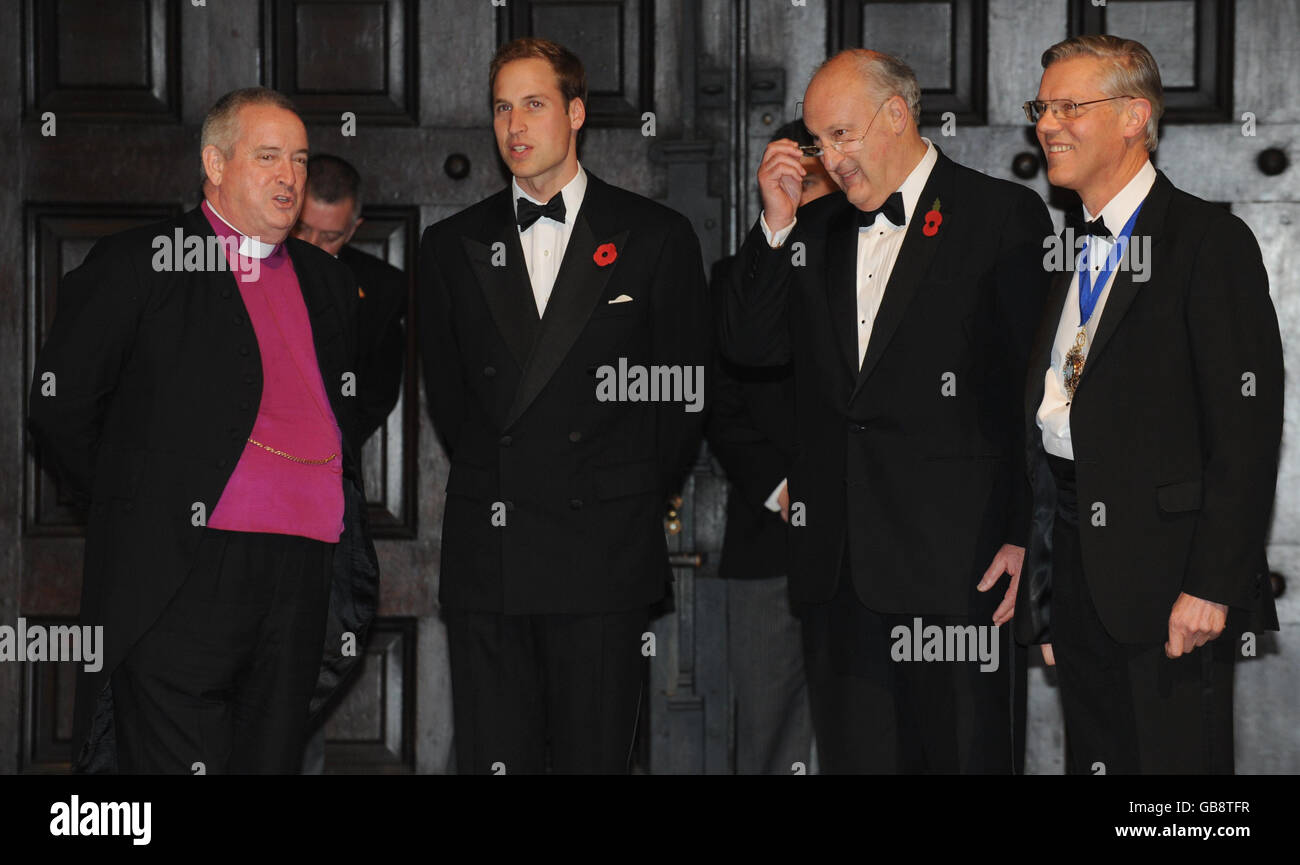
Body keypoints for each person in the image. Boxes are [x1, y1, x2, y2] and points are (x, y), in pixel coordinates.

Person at [28, 87, 378, 773]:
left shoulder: (327, 283)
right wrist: (139, 504)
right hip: (187, 569)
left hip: (303, 570)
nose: (290, 177)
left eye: (300, 159)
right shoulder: (140, 262)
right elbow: (61, 407)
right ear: (215, 164)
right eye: (269, 156)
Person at [722, 49, 1050, 773]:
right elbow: (749, 348)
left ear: (897, 115)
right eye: (818, 141)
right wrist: (776, 227)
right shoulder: (813, 232)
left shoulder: (1001, 216)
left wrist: (1029, 534)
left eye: (842, 135)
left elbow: (1037, 395)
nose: (829, 159)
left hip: (960, 571)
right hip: (839, 575)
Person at [418, 37, 710, 773]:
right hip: (494, 550)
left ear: (576, 113)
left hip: (602, 548)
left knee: (596, 758)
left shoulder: (654, 237)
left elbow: (680, 394)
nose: (515, 125)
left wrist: (626, 487)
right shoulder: (452, 245)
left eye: (535, 104)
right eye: (501, 108)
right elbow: (450, 401)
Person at [1014, 34, 1282, 774]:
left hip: (1173, 583)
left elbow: (1246, 432)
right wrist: (1046, 587)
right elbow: (1053, 423)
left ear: (1136, 116)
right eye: (1042, 106)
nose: (1047, 123)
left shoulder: (1208, 241)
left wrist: (1209, 584)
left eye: (1071, 106)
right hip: (1076, 572)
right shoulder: (1069, 247)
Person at [705, 121, 832, 774]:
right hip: (768, 540)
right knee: (770, 736)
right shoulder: (735, 276)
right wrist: (787, 491)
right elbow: (719, 409)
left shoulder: (886, 262)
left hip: (874, 543)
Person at [295, 153, 408, 444]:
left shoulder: (383, 289)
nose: (312, 246)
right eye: (301, 229)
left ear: (352, 230)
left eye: (329, 236)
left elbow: (376, 395)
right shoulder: (243, 268)